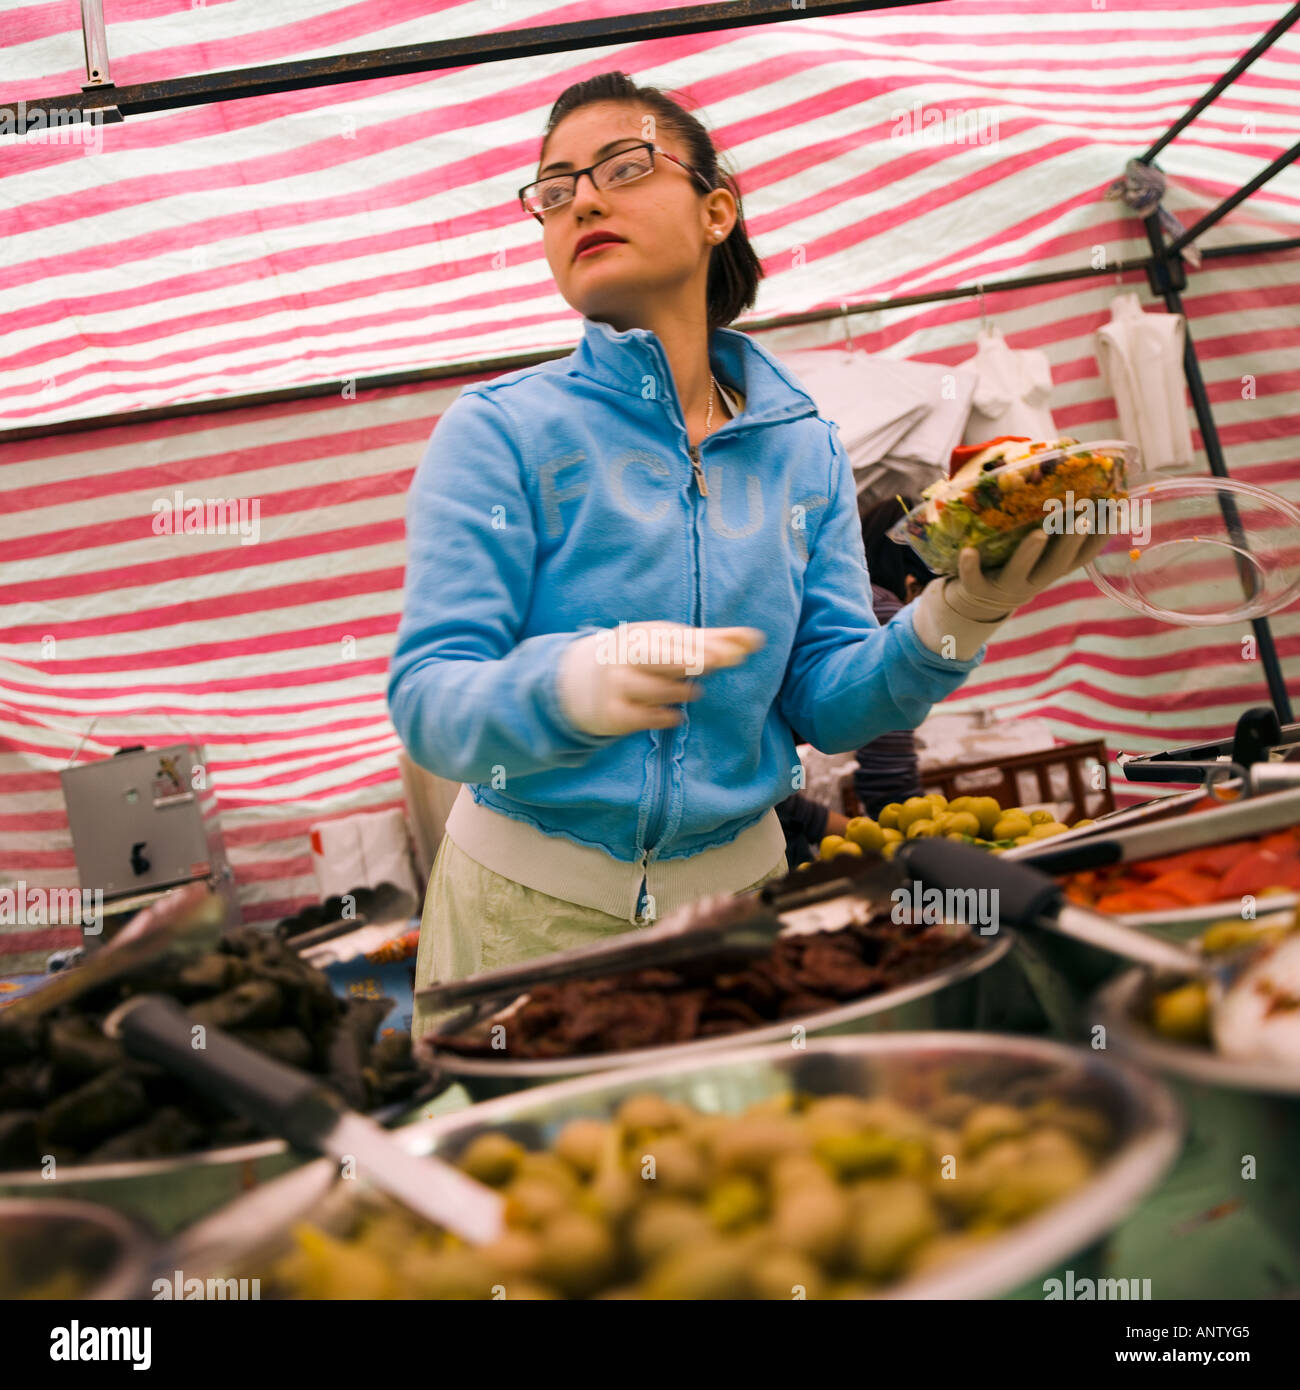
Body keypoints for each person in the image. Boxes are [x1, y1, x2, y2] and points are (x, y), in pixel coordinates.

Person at [387, 70, 1105, 1038]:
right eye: (553, 190)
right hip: (524, 917)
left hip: (744, 910)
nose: (582, 199)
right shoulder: (499, 433)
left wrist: (952, 618)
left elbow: (827, 700)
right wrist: (563, 688)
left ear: (716, 208)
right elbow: (431, 700)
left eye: (623, 167)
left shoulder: (802, 445)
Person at [852, 495, 935, 818]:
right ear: (913, 583)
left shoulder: (852, 599)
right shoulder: (886, 612)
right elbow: (888, 743)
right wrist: (904, 813)